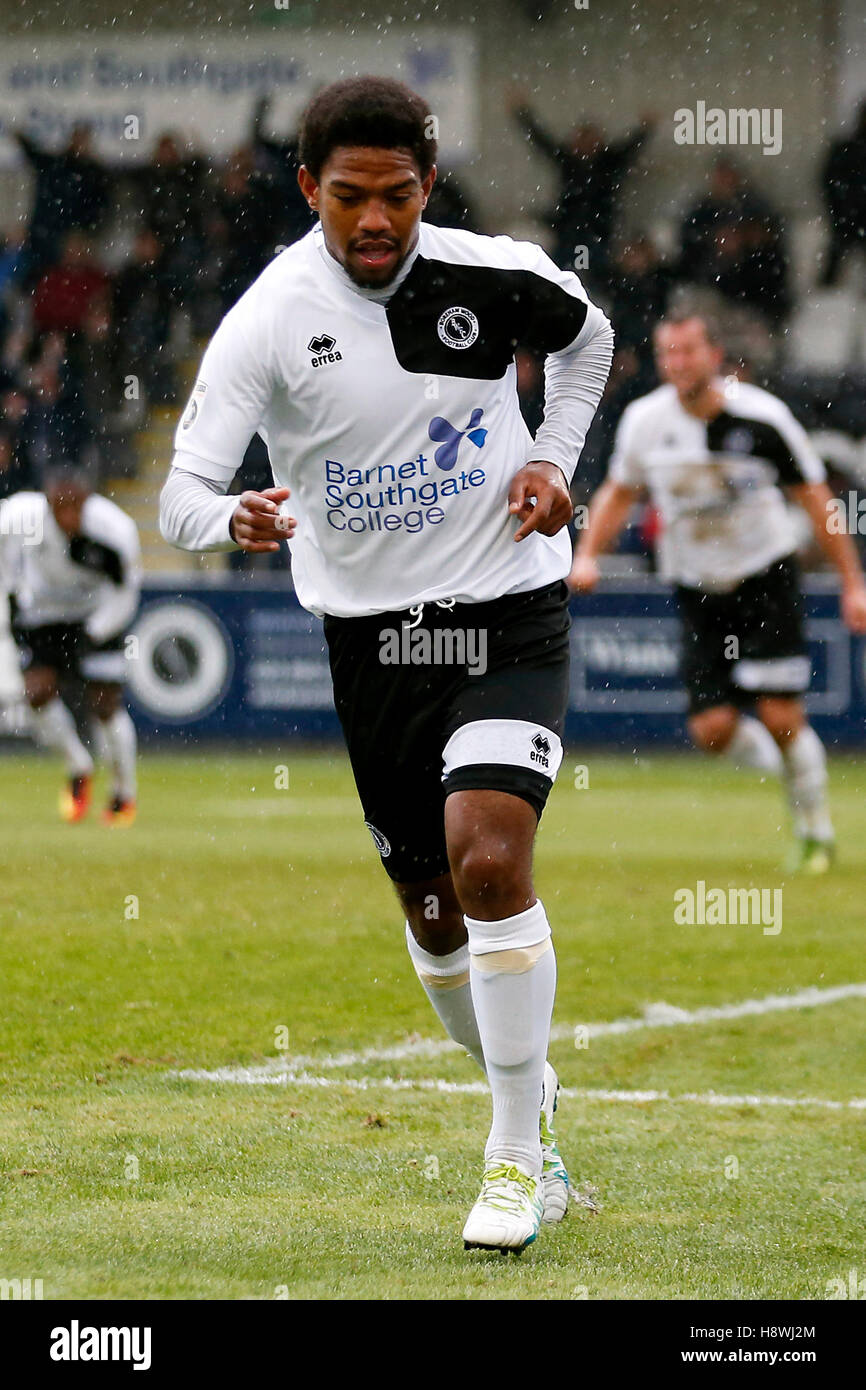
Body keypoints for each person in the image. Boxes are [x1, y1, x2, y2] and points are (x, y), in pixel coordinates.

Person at [160, 75, 613, 1252]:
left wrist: (556, 461)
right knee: (430, 909)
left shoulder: (490, 271)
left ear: (428, 187)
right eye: (348, 196)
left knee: (488, 860)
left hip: (505, 606)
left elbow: (587, 336)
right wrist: (231, 522)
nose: (374, 221)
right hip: (372, 640)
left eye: (398, 196)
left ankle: (513, 1157)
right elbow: (180, 494)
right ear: (308, 187)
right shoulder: (267, 318)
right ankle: (533, 1098)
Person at [568, 311, 866, 873]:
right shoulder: (644, 422)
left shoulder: (762, 417)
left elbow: (816, 500)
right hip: (696, 586)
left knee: (780, 715)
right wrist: (586, 554)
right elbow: (617, 492)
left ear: (714, 356)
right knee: (710, 731)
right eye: (668, 355)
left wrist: (853, 584)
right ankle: (798, 773)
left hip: (763, 574)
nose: (678, 364)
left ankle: (815, 830)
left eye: (688, 352)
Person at [0, 465, 141, 824]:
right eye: (59, 506)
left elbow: (127, 592)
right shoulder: (21, 515)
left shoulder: (115, 529)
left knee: (104, 703)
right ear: (47, 502)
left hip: (98, 613)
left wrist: (95, 631)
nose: (68, 516)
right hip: (44, 614)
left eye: (75, 505)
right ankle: (78, 765)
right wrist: (11, 595)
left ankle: (124, 792)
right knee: (36, 693)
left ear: (88, 500)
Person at [508, 88, 656, 277]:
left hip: (597, 233)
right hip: (569, 233)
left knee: (590, 277)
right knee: (561, 276)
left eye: (590, 140)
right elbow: (542, 141)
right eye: (581, 139)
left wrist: (645, 128)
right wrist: (522, 114)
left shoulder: (609, 163)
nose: (585, 145)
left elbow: (630, 148)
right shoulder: (568, 163)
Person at [819, 98, 866, 286]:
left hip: (845, 214)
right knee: (834, 262)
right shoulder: (845, 149)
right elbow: (828, 181)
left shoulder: (845, 149)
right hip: (845, 215)